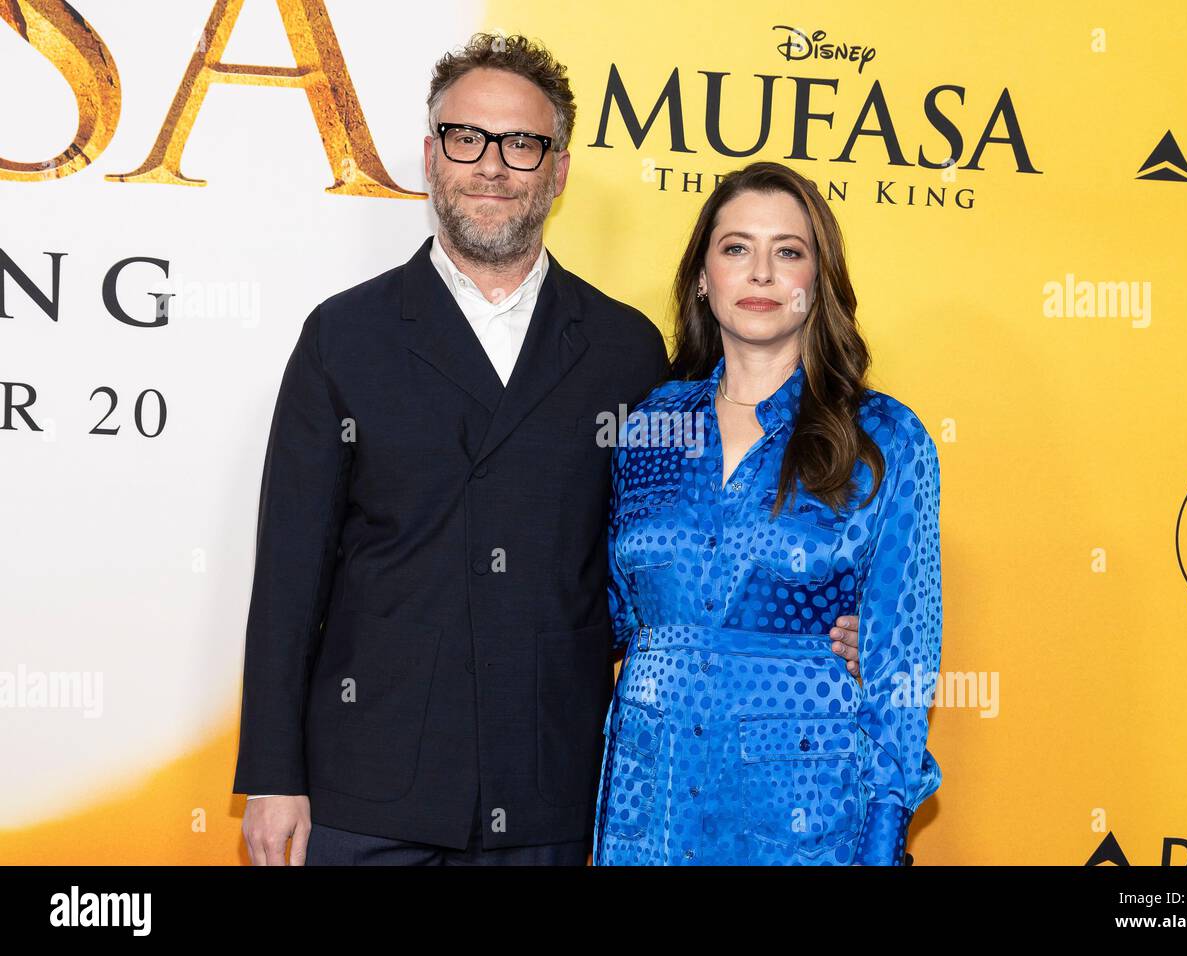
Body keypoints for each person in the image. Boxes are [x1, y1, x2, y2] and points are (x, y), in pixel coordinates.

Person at [232, 32, 866, 866]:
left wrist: (813, 622)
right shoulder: (343, 337)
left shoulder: (626, 351)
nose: (492, 165)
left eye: (523, 144)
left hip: (553, 794)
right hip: (368, 790)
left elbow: (676, 547)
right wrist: (276, 775)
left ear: (557, 170)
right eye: (467, 138)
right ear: (431, 156)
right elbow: (288, 575)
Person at [592, 161, 943, 866]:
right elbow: (607, 613)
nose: (760, 273)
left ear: (818, 283)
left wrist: (880, 846)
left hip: (805, 818)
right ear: (702, 276)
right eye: (735, 248)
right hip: (650, 803)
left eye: (788, 251)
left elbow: (903, 668)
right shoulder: (652, 426)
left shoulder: (884, 441)